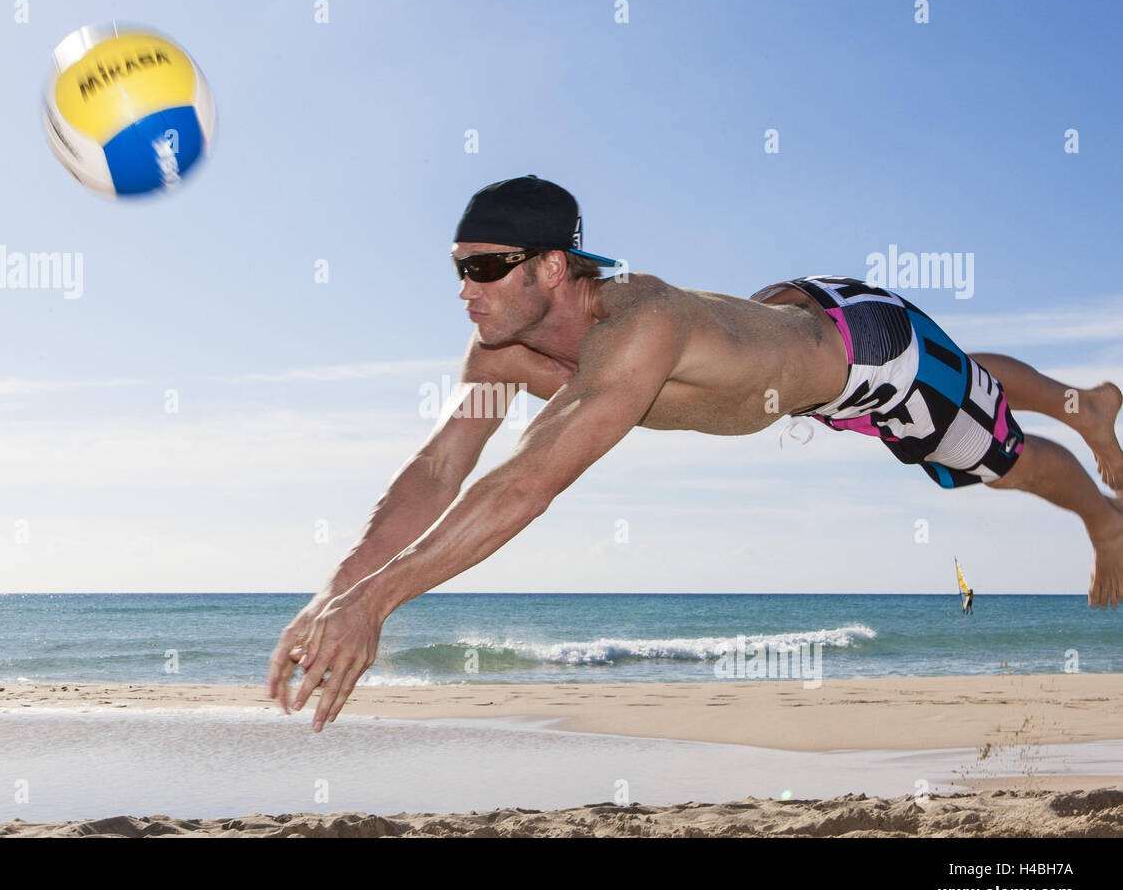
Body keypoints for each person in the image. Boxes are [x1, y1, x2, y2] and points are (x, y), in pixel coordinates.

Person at [266, 175, 1123, 730]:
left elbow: (527, 482)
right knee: (967, 375)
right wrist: (335, 593)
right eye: (458, 268)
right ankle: (1094, 403)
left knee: (994, 459)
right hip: (795, 319)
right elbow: (440, 470)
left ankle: (1104, 515)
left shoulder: (640, 329)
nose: (466, 290)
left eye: (487, 267)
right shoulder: (499, 357)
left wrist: (376, 607)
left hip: (868, 360)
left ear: (555, 268)